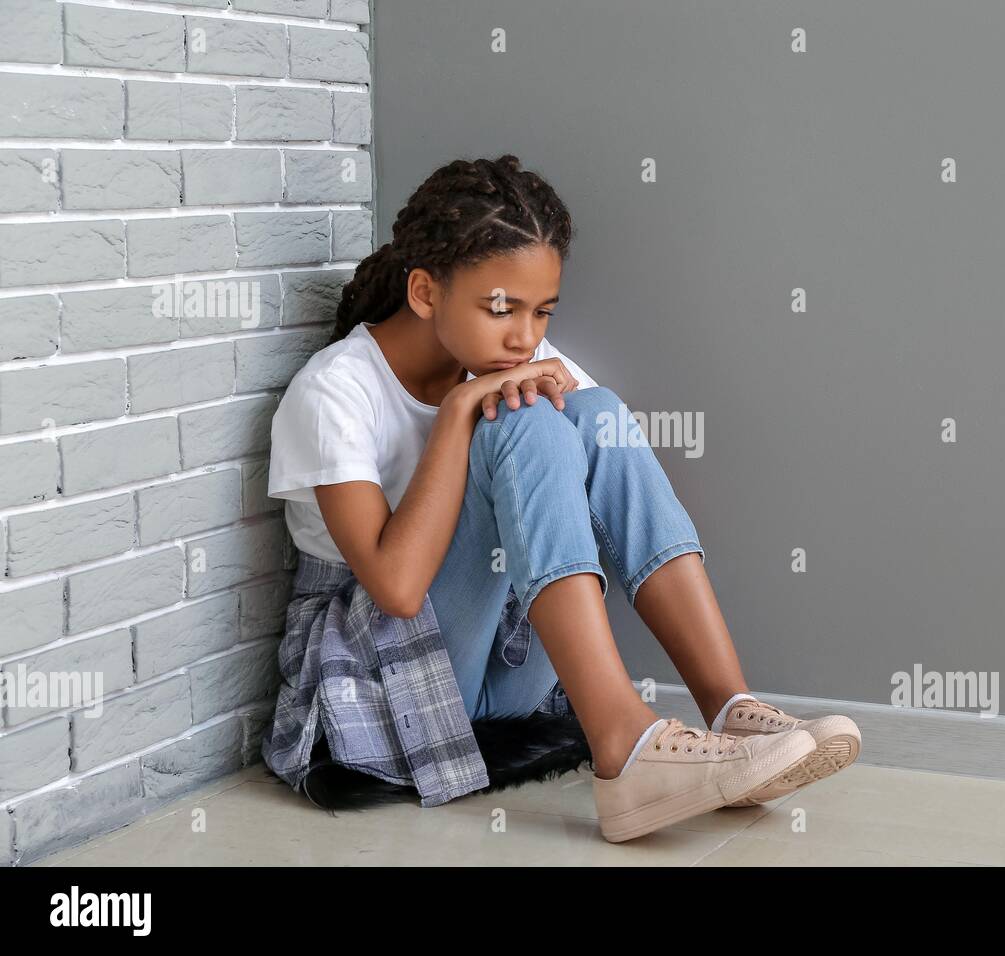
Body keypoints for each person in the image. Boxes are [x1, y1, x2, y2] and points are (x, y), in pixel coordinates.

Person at [263, 154, 860, 842]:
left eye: (541, 311)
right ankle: (623, 746)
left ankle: (729, 706)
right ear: (425, 292)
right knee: (519, 417)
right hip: (377, 684)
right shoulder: (335, 390)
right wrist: (458, 415)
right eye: (500, 308)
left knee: (594, 410)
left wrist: (511, 402)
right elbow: (395, 590)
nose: (524, 337)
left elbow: (595, 469)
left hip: (504, 675)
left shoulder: (511, 353)